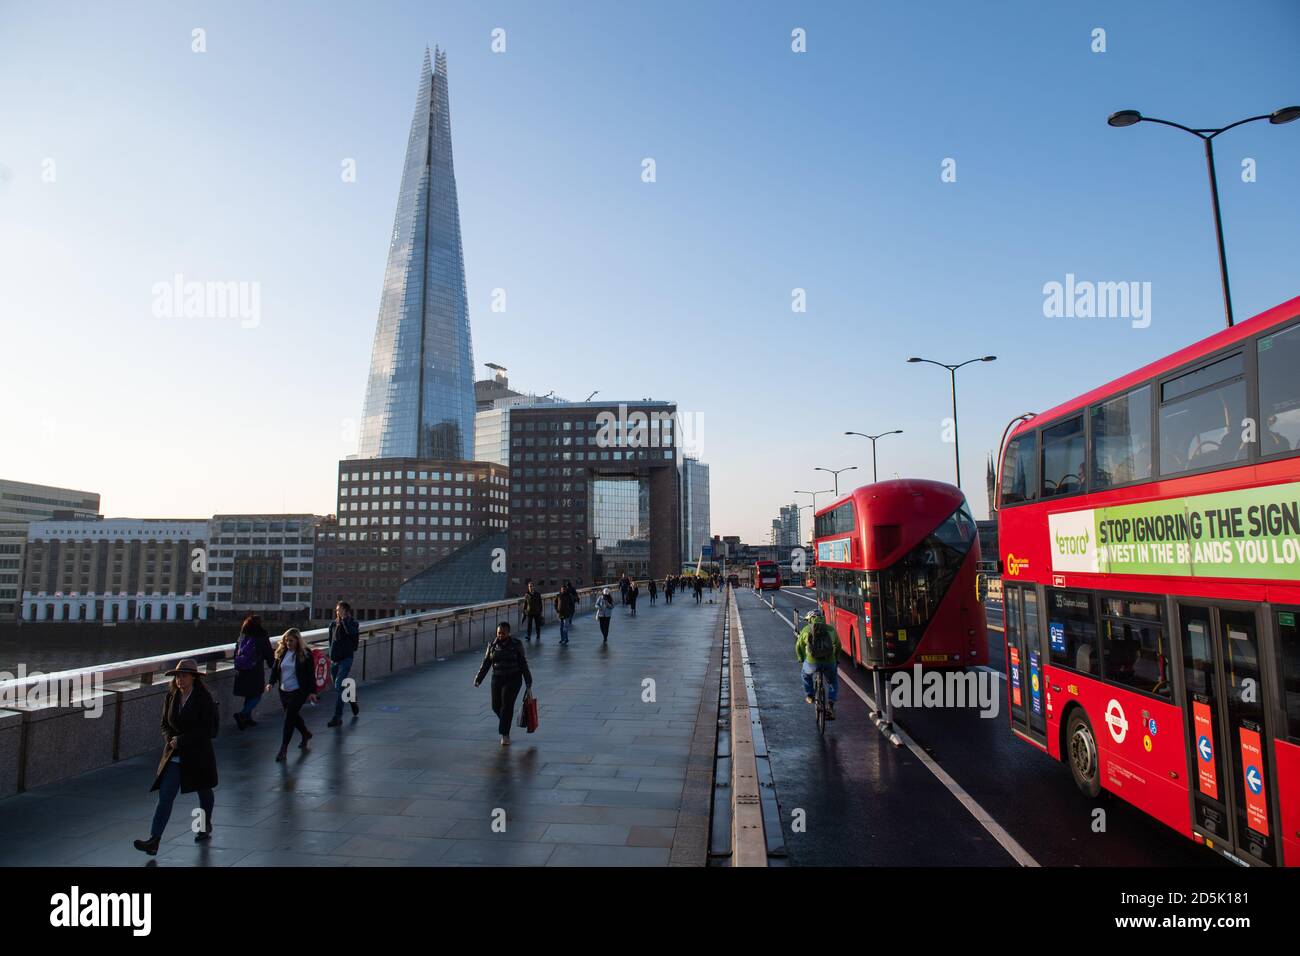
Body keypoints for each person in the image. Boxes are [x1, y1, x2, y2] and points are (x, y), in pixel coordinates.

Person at [133, 659, 219, 855]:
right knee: (165, 795)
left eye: (184, 676)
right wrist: (170, 739)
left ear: (194, 678)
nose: (180, 680)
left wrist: (182, 740)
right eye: (178, 676)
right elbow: (164, 724)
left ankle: (205, 826)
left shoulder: (204, 699)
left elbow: (210, 730)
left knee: (204, 791)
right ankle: (154, 840)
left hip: (198, 755)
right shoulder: (171, 696)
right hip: (175, 755)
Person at [474, 622, 533, 746]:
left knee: (506, 705)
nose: (500, 635)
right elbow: (486, 663)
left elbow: (523, 664)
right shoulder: (492, 645)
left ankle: (504, 735)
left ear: (508, 633)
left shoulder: (516, 644)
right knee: (495, 706)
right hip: (497, 678)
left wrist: (528, 681)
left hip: (513, 678)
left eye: (503, 633)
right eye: (498, 633)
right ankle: (506, 722)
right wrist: (478, 679)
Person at [268, 628, 318, 761]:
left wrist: (313, 692)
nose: (288, 643)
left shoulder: (305, 653)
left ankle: (283, 749)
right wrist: (271, 683)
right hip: (284, 691)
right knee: (293, 716)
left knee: (289, 718)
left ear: (297, 640)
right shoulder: (282, 652)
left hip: (298, 691)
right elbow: (275, 669)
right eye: (286, 641)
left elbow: (310, 675)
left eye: (291, 640)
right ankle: (306, 733)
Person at [796, 610, 841, 719]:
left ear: (810, 619)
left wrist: (801, 658)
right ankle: (830, 704)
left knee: (805, 674)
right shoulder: (830, 629)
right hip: (829, 661)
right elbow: (838, 645)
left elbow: (799, 646)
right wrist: (836, 658)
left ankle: (810, 695)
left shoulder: (806, 629)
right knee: (833, 681)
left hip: (812, 662)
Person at [232, 613, 274, 730]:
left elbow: (236, 651)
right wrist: (274, 667)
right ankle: (242, 714)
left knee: (249, 695)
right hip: (255, 670)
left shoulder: (243, 635)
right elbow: (268, 653)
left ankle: (247, 718)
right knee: (257, 695)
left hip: (242, 670)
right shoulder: (261, 635)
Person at [326, 601, 360, 727]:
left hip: (346, 658)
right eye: (336, 610)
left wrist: (345, 620)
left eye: (338, 609)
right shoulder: (333, 624)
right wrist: (330, 655)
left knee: (339, 684)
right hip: (335, 659)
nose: (336, 611)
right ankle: (351, 698)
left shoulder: (353, 623)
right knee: (338, 687)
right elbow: (331, 641)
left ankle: (337, 717)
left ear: (345, 611)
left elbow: (352, 633)